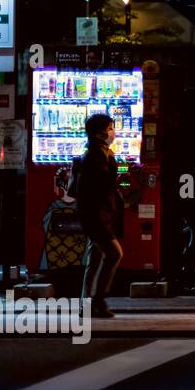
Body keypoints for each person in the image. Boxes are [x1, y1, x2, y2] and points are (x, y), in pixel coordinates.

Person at [75, 114, 125, 318]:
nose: (113, 132)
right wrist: (114, 162)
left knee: (95, 259)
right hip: (97, 217)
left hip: (98, 215)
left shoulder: (97, 153)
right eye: (110, 128)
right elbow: (104, 184)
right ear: (99, 133)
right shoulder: (97, 156)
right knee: (114, 254)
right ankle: (98, 300)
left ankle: (87, 304)